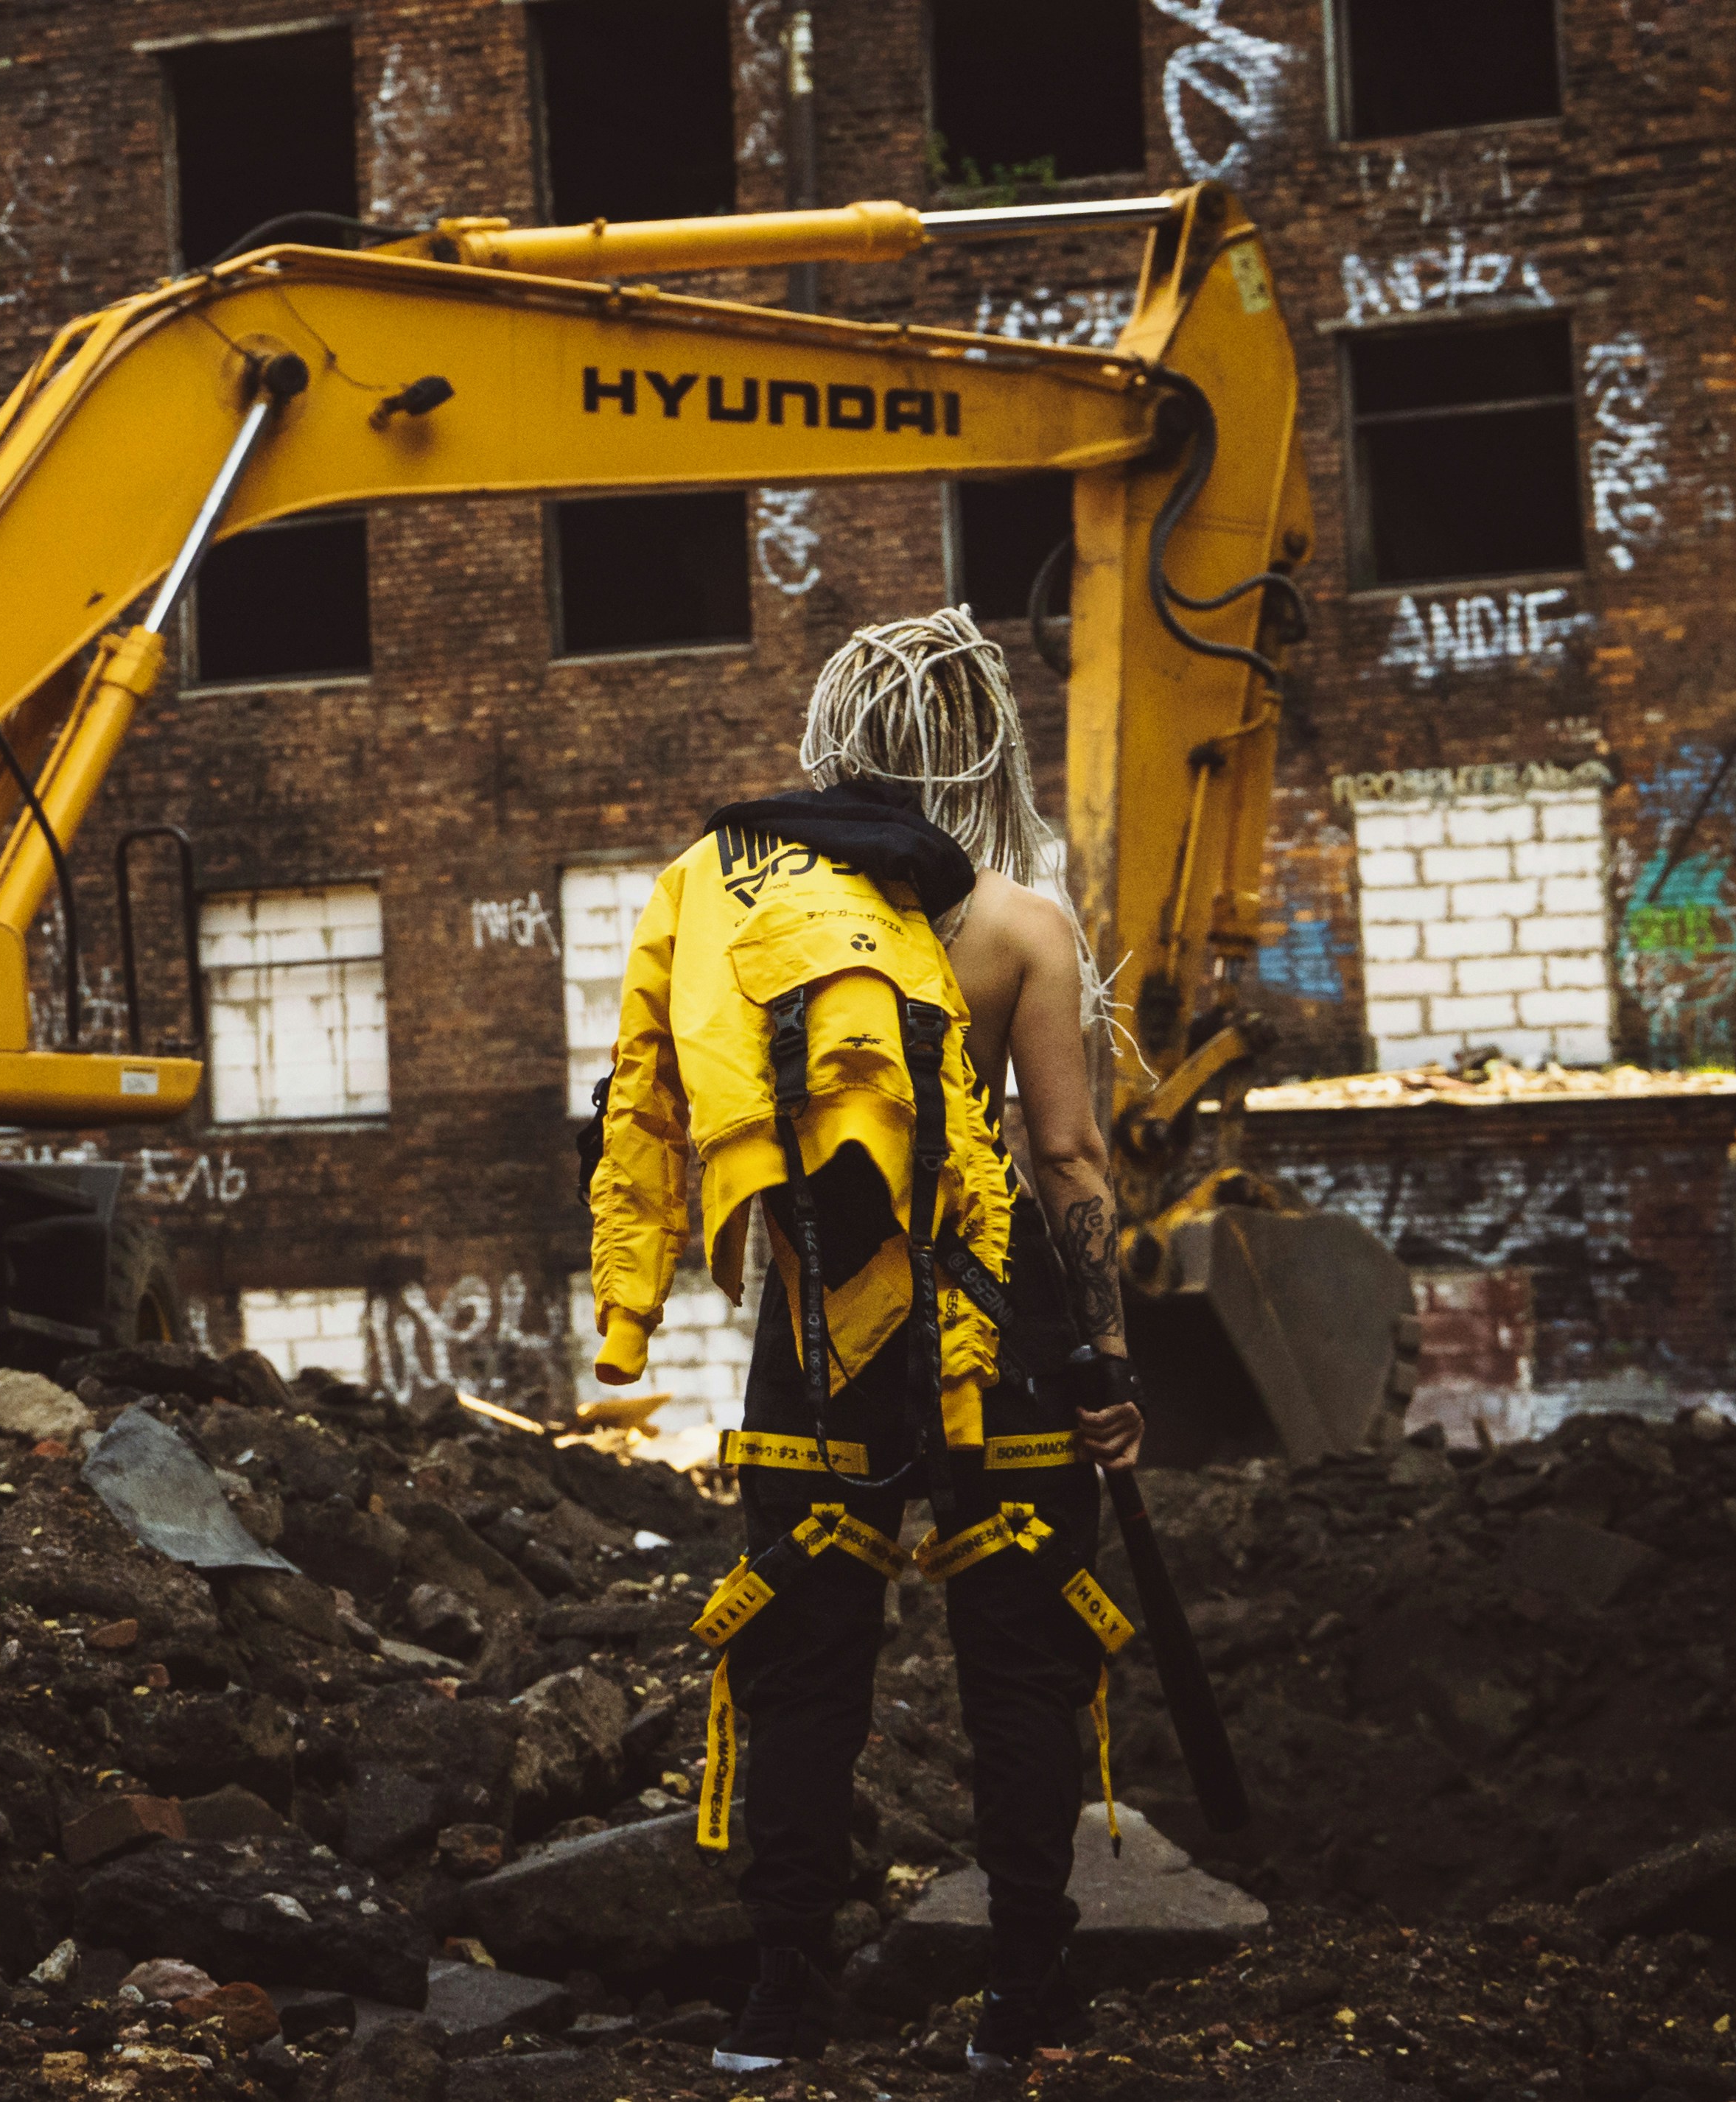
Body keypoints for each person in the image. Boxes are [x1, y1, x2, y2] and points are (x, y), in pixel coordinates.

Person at [585, 607, 1145, 2075]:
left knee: (803, 1660)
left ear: (833, 745)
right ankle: (1021, 1997)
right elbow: (1069, 1160)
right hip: (1005, 1323)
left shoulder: (766, 914)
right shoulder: (1019, 923)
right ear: (990, 746)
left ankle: (782, 1998)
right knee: (1021, 1664)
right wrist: (1107, 1359)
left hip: (822, 1326)